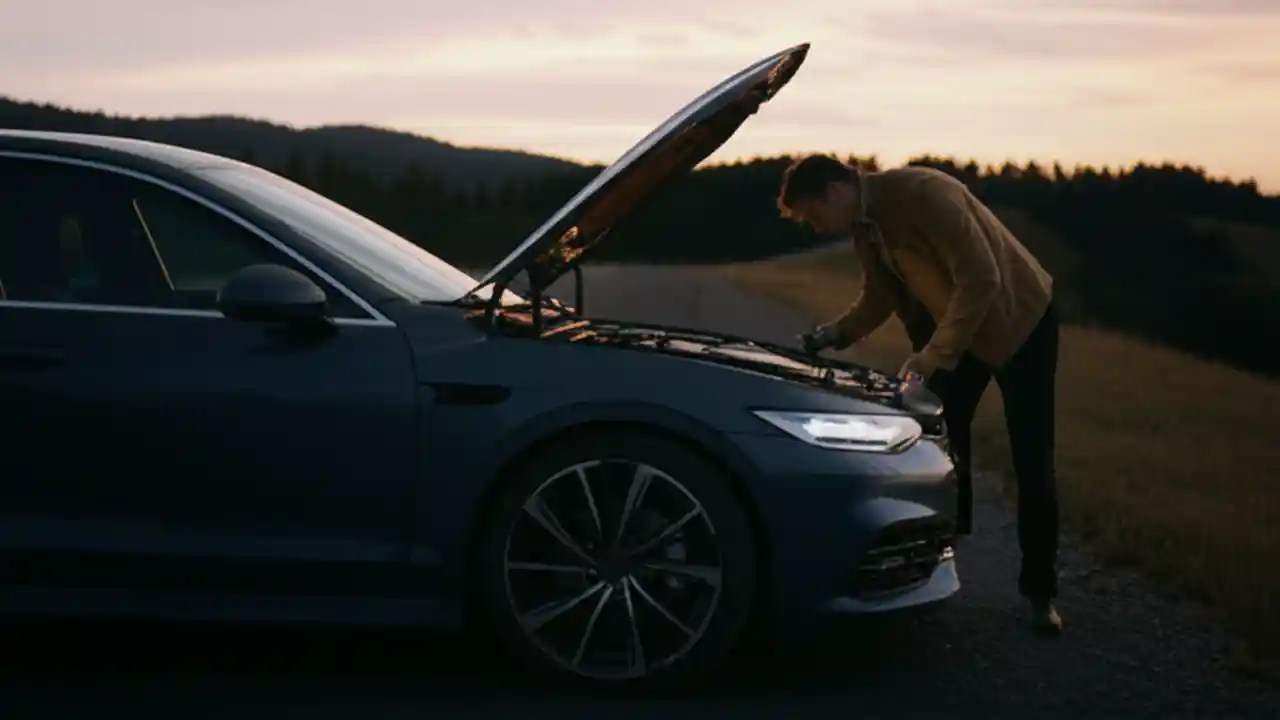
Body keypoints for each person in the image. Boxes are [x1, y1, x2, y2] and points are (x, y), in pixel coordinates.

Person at [779, 154, 1063, 636]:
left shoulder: (925, 193)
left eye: (813, 215)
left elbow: (982, 279)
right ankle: (941, 563)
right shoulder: (865, 227)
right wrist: (832, 335)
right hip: (963, 333)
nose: (815, 226)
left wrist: (932, 356)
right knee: (944, 448)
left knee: (1032, 459)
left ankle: (1041, 593)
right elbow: (879, 296)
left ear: (834, 191)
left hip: (1021, 323)